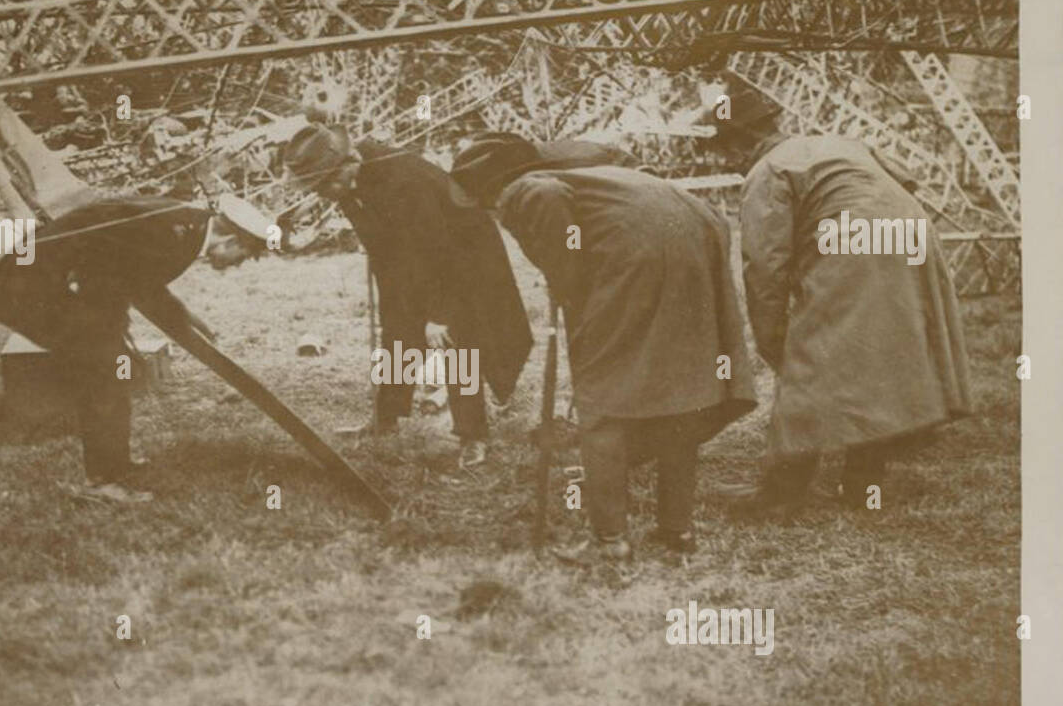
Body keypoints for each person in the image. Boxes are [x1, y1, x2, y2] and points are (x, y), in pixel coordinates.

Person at [450, 134, 757, 559]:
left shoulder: (528, 186)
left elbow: (554, 219)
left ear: (490, 189)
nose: (492, 213)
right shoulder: (592, 172)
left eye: (485, 204)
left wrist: (567, 282)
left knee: (601, 403)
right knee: (678, 396)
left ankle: (610, 541)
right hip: (694, 243)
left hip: (638, 259)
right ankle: (677, 532)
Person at [708, 89, 973, 512]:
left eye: (724, 151)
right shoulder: (836, 143)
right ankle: (864, 485)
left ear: (740, 142)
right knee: (879, 358)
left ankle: (784, 493)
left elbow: (764, 266)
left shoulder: (767, 169)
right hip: (911, 233)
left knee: (810, 357)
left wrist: (774, 339)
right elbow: (906, 178)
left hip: (854, 239)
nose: (726, 163)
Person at [281, 123, 532, 470]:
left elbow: (435, 248)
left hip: (462, 259)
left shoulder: (402, 180)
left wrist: (437, 314)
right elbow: (389, 245)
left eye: (327, 183)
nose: (324, 192)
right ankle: (385, 421)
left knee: (457, 341)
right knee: (397, 330)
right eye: (318, 186)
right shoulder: (349, 182)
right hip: (412, 258)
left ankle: (473, 435)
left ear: (349, 161)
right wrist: (393, 295)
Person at [0, 194, 251, 504]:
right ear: (229, 238)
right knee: (105, 370)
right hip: (27, 287)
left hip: (57, 285)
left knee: (118, 366)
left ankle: (115, 462)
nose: (238, 265)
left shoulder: (184, 225)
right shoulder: (171, 233)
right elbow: (108, 280)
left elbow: (140, 280)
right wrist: (110, 332)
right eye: (244, 254)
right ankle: (101, 481)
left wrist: (187, 320)